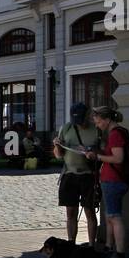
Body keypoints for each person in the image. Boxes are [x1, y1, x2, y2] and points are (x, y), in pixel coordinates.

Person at [86, 105, 129, 258]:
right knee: (110, 216)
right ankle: (110, 248)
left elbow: (118, 159)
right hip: (112, 180)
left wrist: (97, 157)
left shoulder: (115, 134)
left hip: (113, 180)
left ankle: (119, 253)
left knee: (114, 217)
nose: (97, 125)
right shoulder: (118, 132)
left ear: (107, 119)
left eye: (98, 122)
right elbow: (113, 155)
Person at [53, 101, 100, 245]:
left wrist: (91, 151)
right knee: (70, 212)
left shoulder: (96, 130)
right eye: (76, 120)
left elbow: (103, 151)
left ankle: (92, 244)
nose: (79, 123)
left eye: (81, 119)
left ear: (88, 116)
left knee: (89, 211)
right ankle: (71, 243)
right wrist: (57, 146)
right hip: (69, 175)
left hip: (88, 175)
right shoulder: (66, 128)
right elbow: (58, 155)